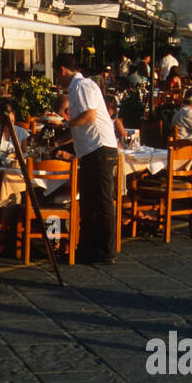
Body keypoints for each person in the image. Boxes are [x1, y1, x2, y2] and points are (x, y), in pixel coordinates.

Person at [55, 53, 118, 265]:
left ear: (62, 70)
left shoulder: (82, 86)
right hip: (90, 150)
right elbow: (80, 124)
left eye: (57, 75)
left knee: (101, 202)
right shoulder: (76, 88)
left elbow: (89, 116)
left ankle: (106, 251)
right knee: (89, 203)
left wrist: (65, 124)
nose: (57, 81)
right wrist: (58, 141)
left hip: (99, 148)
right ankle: (88, 250)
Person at [0, 96, 30, 165]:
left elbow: (24, 154)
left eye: (12, 121)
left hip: (13, 169)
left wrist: (15, 155)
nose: (9, 125)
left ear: (14, 114)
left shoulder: (22, 132)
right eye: (6, 121)